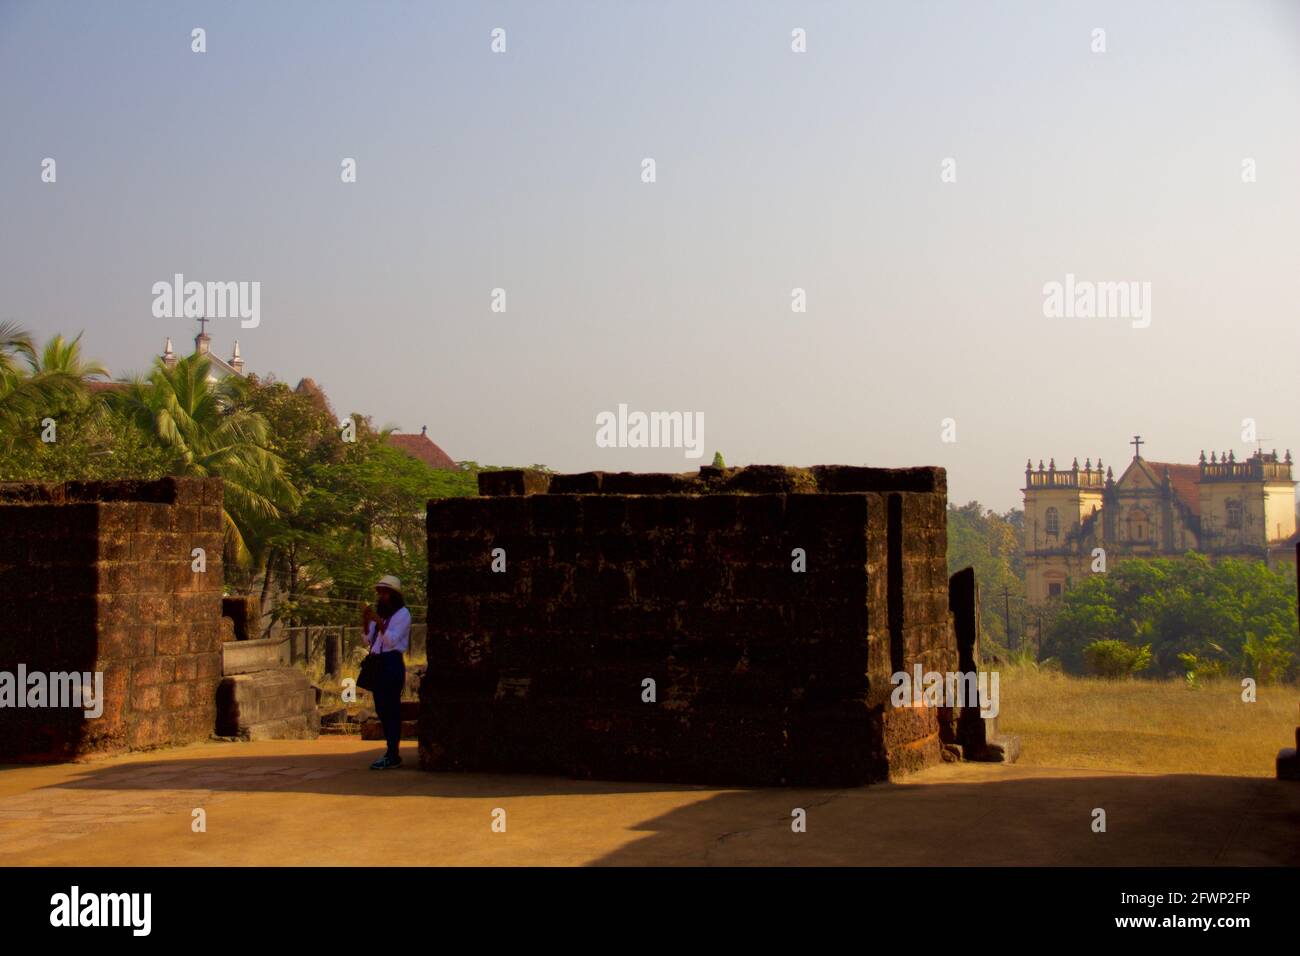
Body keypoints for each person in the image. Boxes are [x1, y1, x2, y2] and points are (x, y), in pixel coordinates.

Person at [362, 574, 411, 769]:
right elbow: (367, 640)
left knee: (391, 708)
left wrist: (378, 622)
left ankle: (393, 753)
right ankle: (390, 749)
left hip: (391, 662)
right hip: (377, 662)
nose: (381, 597)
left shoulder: (403, 614)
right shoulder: (380, 616)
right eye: (379, 593)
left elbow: (391, 640)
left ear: (394, 595)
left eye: (385, 593)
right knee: (381, 708)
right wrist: (366, 620)